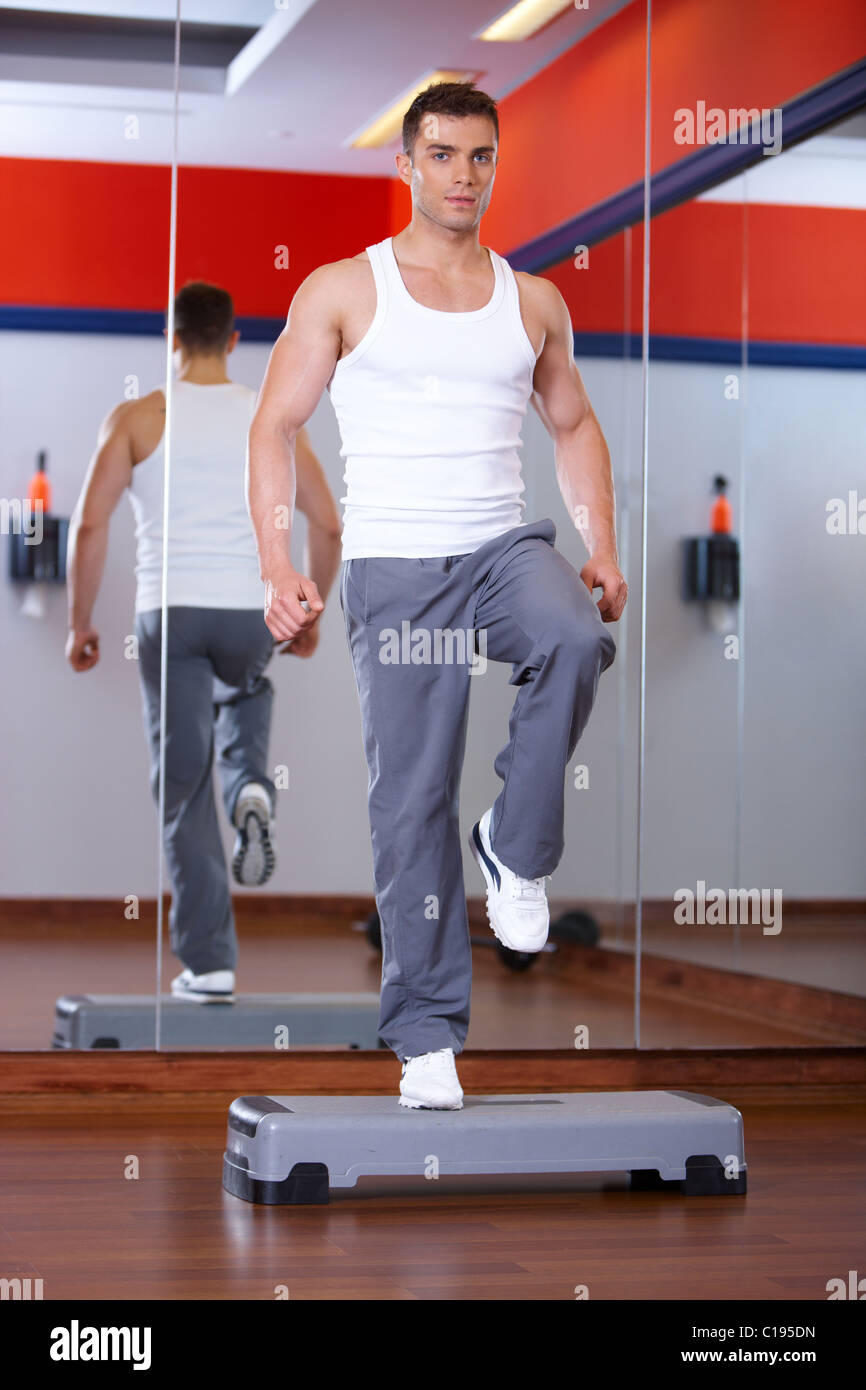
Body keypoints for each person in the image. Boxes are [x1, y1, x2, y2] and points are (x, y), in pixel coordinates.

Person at [247, 82, 627, 1103]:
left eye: (480, 157)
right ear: (404, 165)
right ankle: (423, 1037)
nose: (463, 176)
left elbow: (574, 427)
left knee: (575, 637)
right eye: (443, 154)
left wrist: (599, 545)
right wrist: (279, 566)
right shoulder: (342, 289)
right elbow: (272, 427)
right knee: (411, 798)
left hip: (503, 548)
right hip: (397, 570)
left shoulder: (531, 299)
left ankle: (512, 843)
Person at [65, 281, 340, 1003]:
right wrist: (309, 612)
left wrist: (80, 622)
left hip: (171, 613)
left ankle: (211, 961)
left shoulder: (136, 416)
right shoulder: (268, 415)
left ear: (173, 339)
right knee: (247, 685)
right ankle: (250, 777)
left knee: (181, 787)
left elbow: (89, 527)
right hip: (250, 610)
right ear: (235, 339)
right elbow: (329, 523)